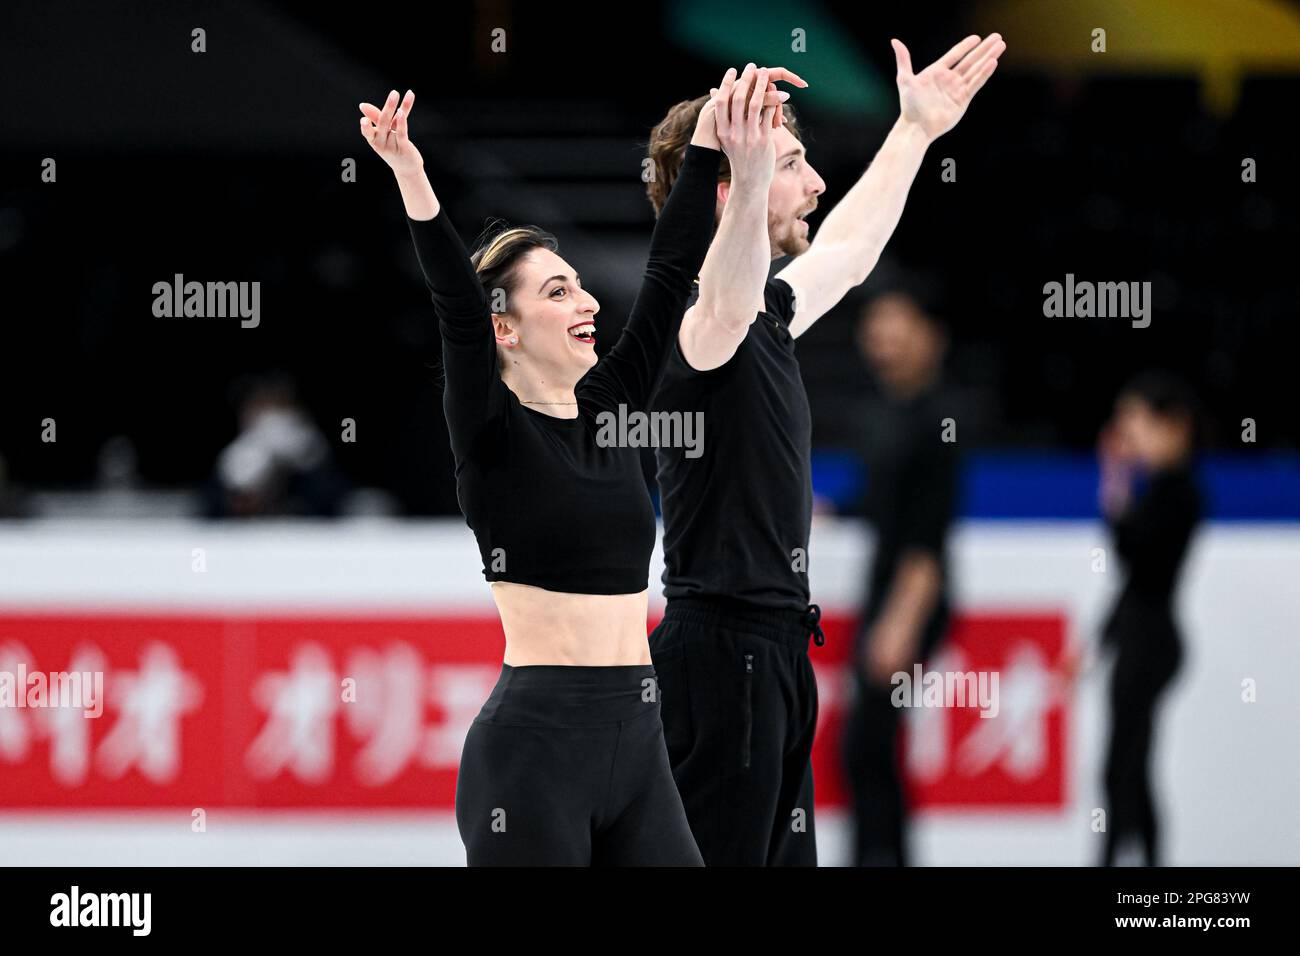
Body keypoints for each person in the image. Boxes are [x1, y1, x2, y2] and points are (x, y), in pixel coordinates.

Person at [358, 69, 795, 865]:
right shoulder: (491, 435)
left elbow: (668, 275)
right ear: (509, 331)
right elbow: (458, 309)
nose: (587, 300)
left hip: (640, 740)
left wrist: (705, 144)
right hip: (534, 752)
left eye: (581, 284)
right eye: (557, 292)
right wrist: (412, 176)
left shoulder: (614, 405)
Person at [642, 34, 1003, 866]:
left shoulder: (764, 314)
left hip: (771, 657)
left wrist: (913, 131)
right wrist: (734, 159)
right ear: (736, 185)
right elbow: (725, 276)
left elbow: (847, 252)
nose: (815, 182)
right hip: (718, 658)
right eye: (792, 164)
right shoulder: (701, 320)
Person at [840, 290, 959, 867]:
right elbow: (876, 503)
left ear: (929, 336)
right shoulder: (888, 415)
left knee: (868, 745)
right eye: (875, 327)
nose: (882, 340)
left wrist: (900, 623)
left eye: (897, 326)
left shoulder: (940, 420)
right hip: (887, 593)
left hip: (911, 600)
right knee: (869, 749)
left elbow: (926, 542)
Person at [1096, 371, 1201, 866]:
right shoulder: (1160, 490)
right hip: (1140, 637)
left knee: (1123, 767)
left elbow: (1140, 566)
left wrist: (1116, 484)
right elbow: (1132, 579)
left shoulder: (1179, 494)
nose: (1128, 432)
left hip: (1152, 643)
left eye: (1136, 420)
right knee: (1128, 770)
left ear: (1173, 426)